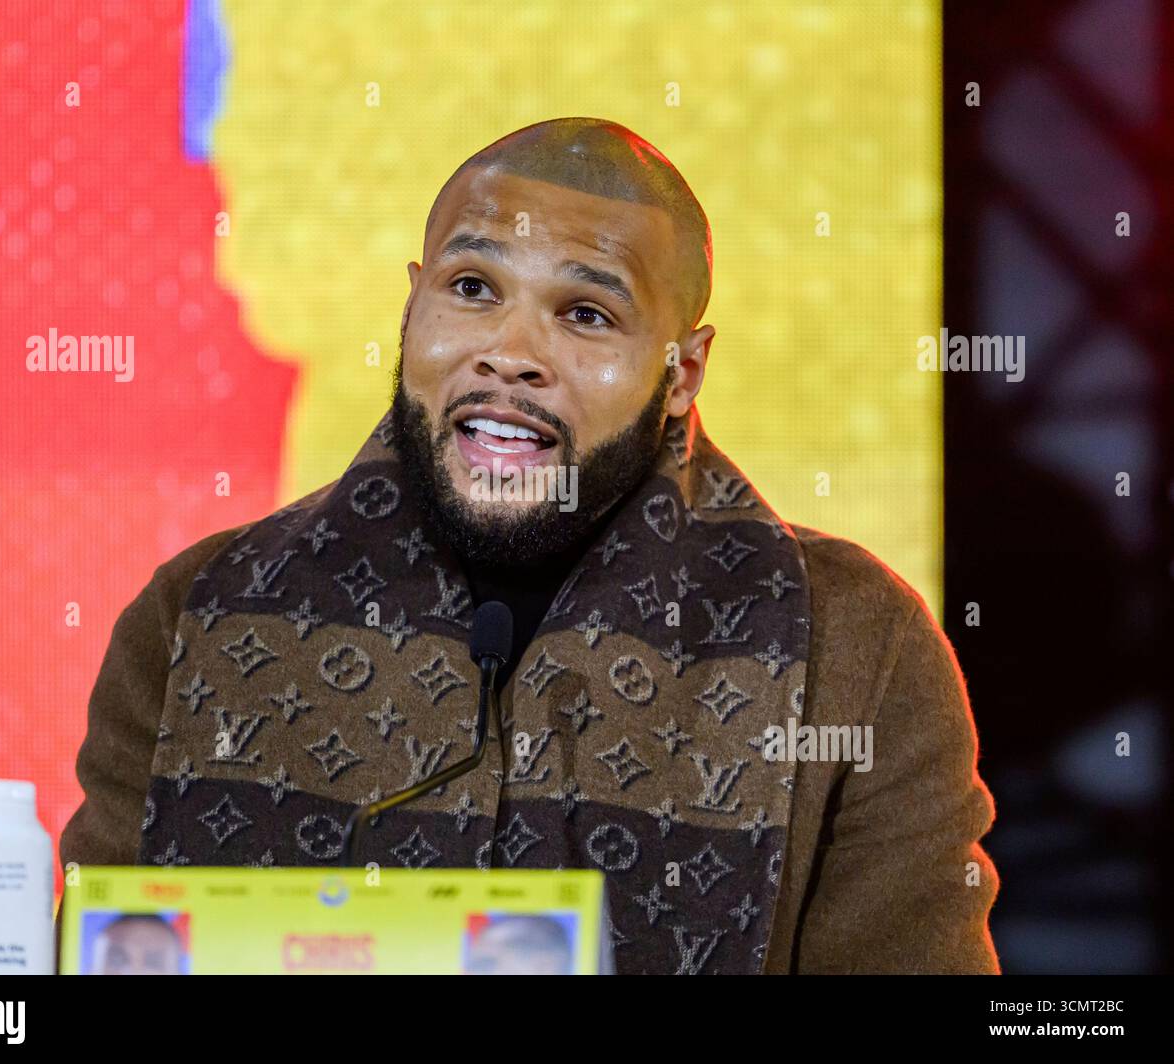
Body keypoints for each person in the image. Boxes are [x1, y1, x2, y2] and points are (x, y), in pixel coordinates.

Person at [61, 117, 999, 975]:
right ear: (411, 310)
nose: (512, 351)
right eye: (472, 289)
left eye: (585, 313)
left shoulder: (858, 648)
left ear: (684, 371)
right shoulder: (196, 614)